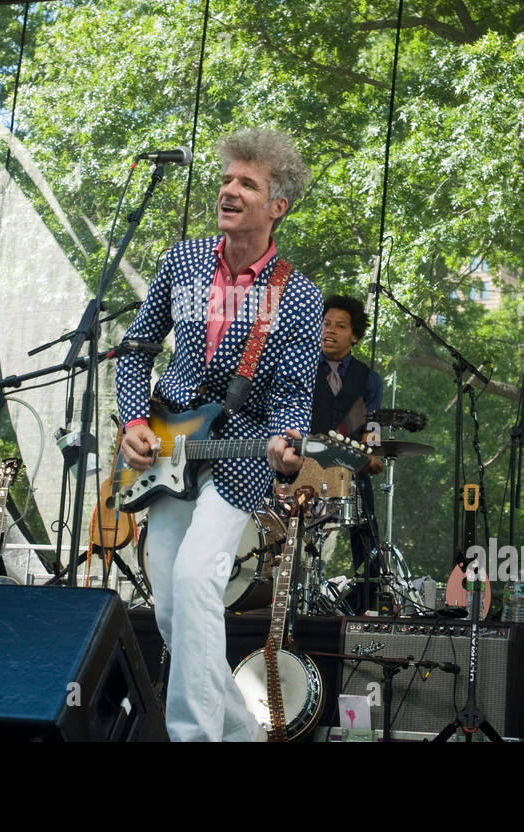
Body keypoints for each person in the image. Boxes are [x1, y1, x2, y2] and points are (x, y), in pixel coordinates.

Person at [115, 128, 322, 741]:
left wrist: (288, 443)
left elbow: (293, 394)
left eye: (247, 184)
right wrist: (132, 421)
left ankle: (195, 737)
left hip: (241, 455)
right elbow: (136, 351)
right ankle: (242, 732)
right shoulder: (180, 262)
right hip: (169, 446)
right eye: (227, 178)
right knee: (174, 609)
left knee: (198, 577)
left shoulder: (297, 296)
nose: (229, 190)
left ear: (276, 207)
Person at [310, 295, 386, 612]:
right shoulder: (301, 368)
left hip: (351, 473)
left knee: (366, 530)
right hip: (303, 468)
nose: (329, 331)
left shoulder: (369, 379)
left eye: (340, 326)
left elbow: (372, 426)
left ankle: (369, 604)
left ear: (354, 335)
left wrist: (371, 453)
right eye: (325, 323)